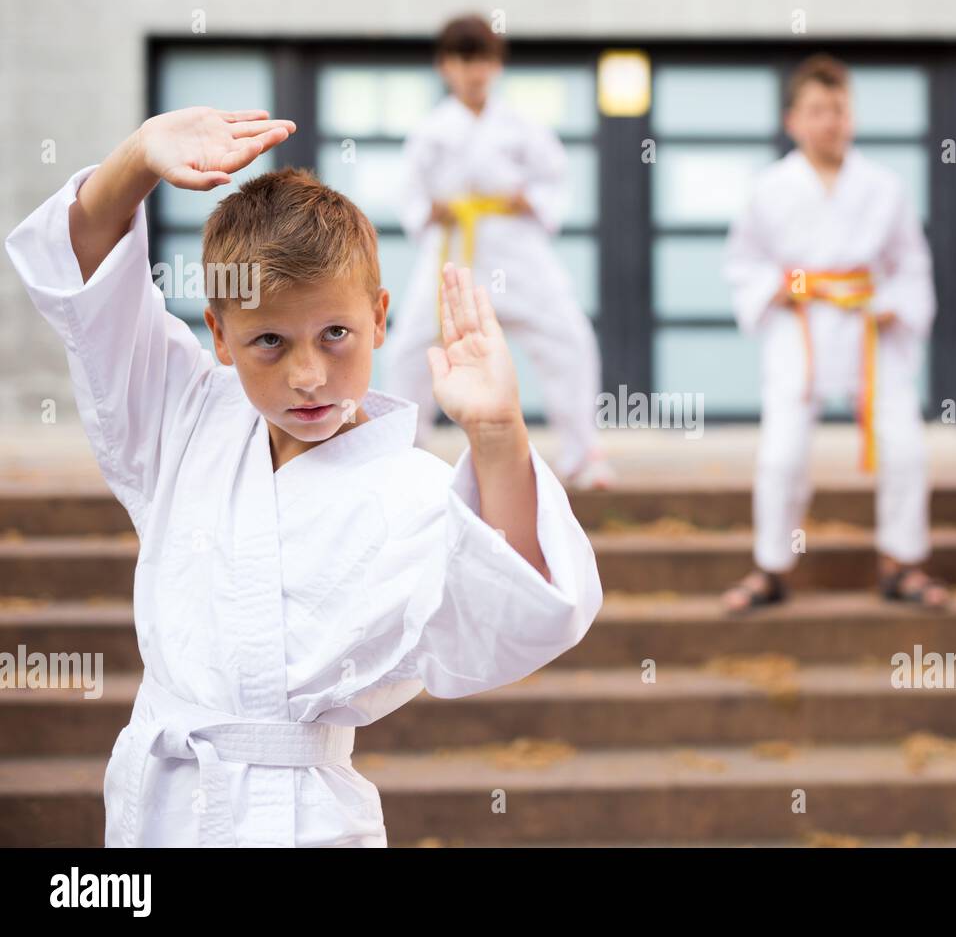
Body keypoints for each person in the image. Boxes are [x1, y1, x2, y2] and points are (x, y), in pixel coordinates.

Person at [4, 105, 602, 847]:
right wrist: (135, 158)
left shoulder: (414, 491)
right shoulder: (186, 418)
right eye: (269, 342)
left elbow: (528, 607)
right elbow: (88, 284)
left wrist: (498, 437)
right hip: (155, 810)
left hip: (303, 823)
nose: (309, 375)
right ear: (218, 336)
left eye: (336, 335)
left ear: (381, 319)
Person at [719, 53, 948, 614]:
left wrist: (897, 304)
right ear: (793, 120)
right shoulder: (769, 187)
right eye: (817, 111)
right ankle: (772, 566)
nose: (830, 122)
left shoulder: (884, 187)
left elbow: (911, 264)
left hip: (869, 325)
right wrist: (780, 286)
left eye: (839, 110)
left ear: (852, 117)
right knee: (781, 453)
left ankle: (900, 562)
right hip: (800, 324)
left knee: (904, 444)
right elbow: (743, 263)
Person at [385, 14, 612, 489]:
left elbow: (555, 180)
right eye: (464, 60)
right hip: (451, 253)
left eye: (484, 60)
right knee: (409, 348)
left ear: (497, 65)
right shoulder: (431, 130)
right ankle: (403, 452)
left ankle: (582, 454)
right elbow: (410, 195)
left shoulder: (522, 126)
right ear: (445, 66)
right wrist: (432, 209)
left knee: (569, 340)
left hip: (516, 249)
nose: (475, 72)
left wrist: (528, 199)